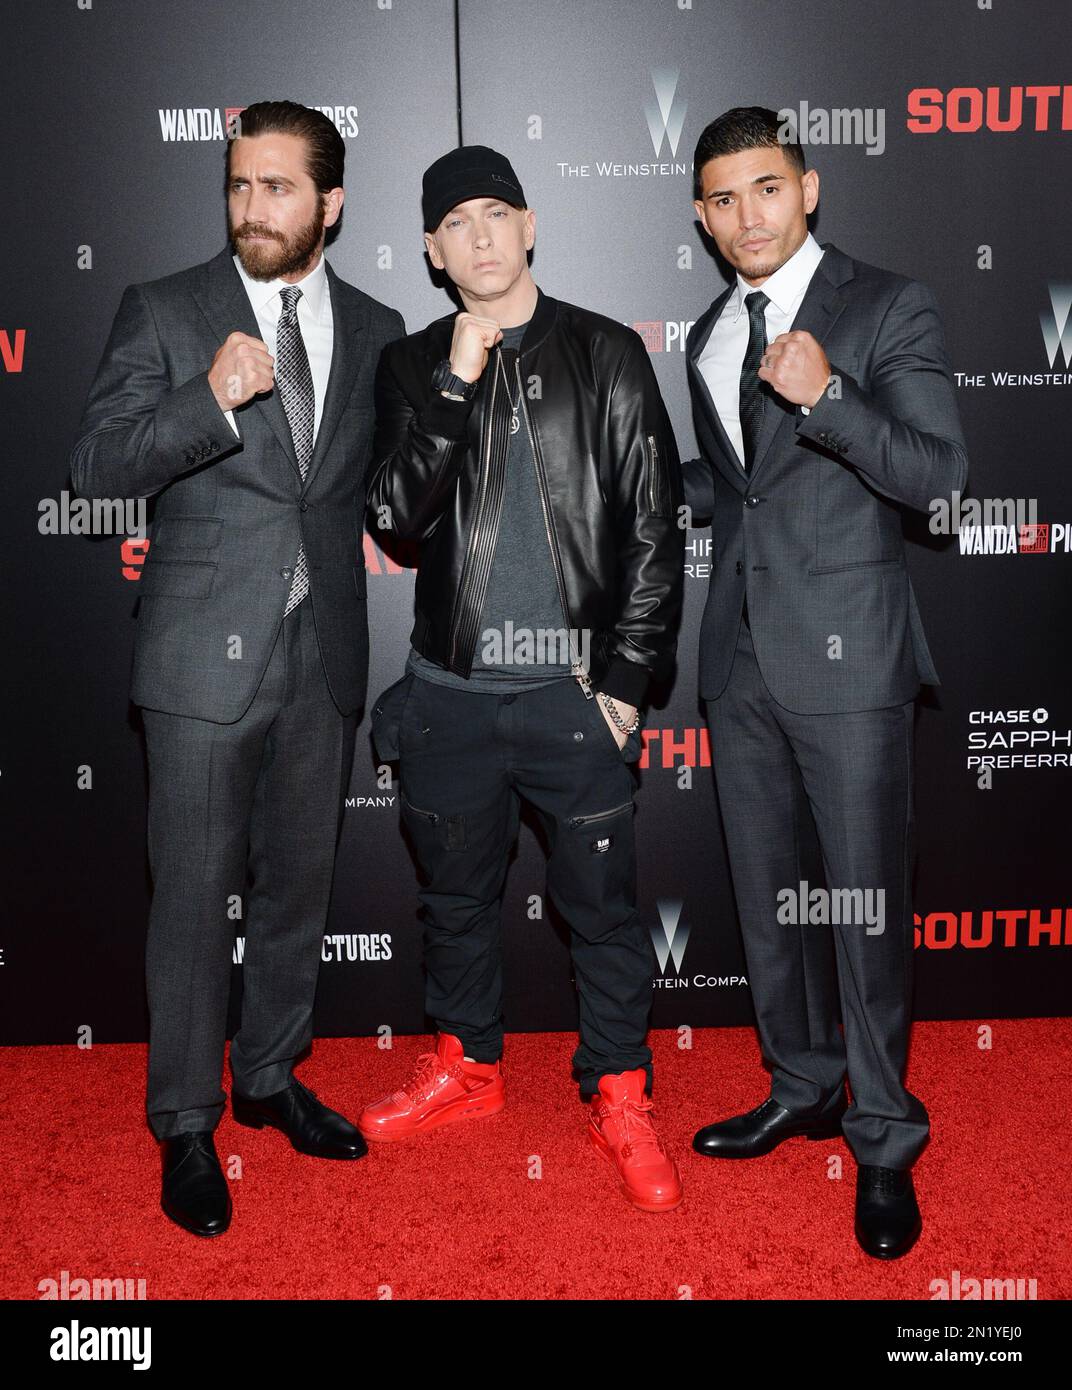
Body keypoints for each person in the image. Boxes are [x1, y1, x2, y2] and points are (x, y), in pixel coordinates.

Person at [70, 101, 405, 1237]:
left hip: (324, 654)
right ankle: (184, 1120)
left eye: (275, 187)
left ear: (331, 203)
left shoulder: (376, 322)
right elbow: (101, 461)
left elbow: (373, 494)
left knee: (296, 891)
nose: (251, 208)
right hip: (199, 658)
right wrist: (204, 397)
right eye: (237, 185)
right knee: (190, 901)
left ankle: (266, 1077)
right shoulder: (166, 309)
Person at [360, 145, 686, 1211]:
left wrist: (627, 684)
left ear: (530, 224)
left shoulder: (603, 351)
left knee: (600, 909)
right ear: (430, 248)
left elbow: (652, 522)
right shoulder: (410, 365)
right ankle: (466, 1068)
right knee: (454, 902)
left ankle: (621, 1089)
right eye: (456, 223)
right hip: (448, 693)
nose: (481, 237)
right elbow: (395, 517)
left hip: (570, 696)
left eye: (497, 214)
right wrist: (455, 382)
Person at [682, 107, 968, 1257]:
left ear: (808, 190)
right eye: (719, 199)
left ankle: (885, 1135)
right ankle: (800, 1083)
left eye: (763, 189)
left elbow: (940, 478)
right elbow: (737, 494)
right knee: (768, 902)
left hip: (850, 658)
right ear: (700, 217)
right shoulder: (704, 330)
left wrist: (830, 396)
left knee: (859, 906)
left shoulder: (886, 303)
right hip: (739, 660)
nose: (743, 216)